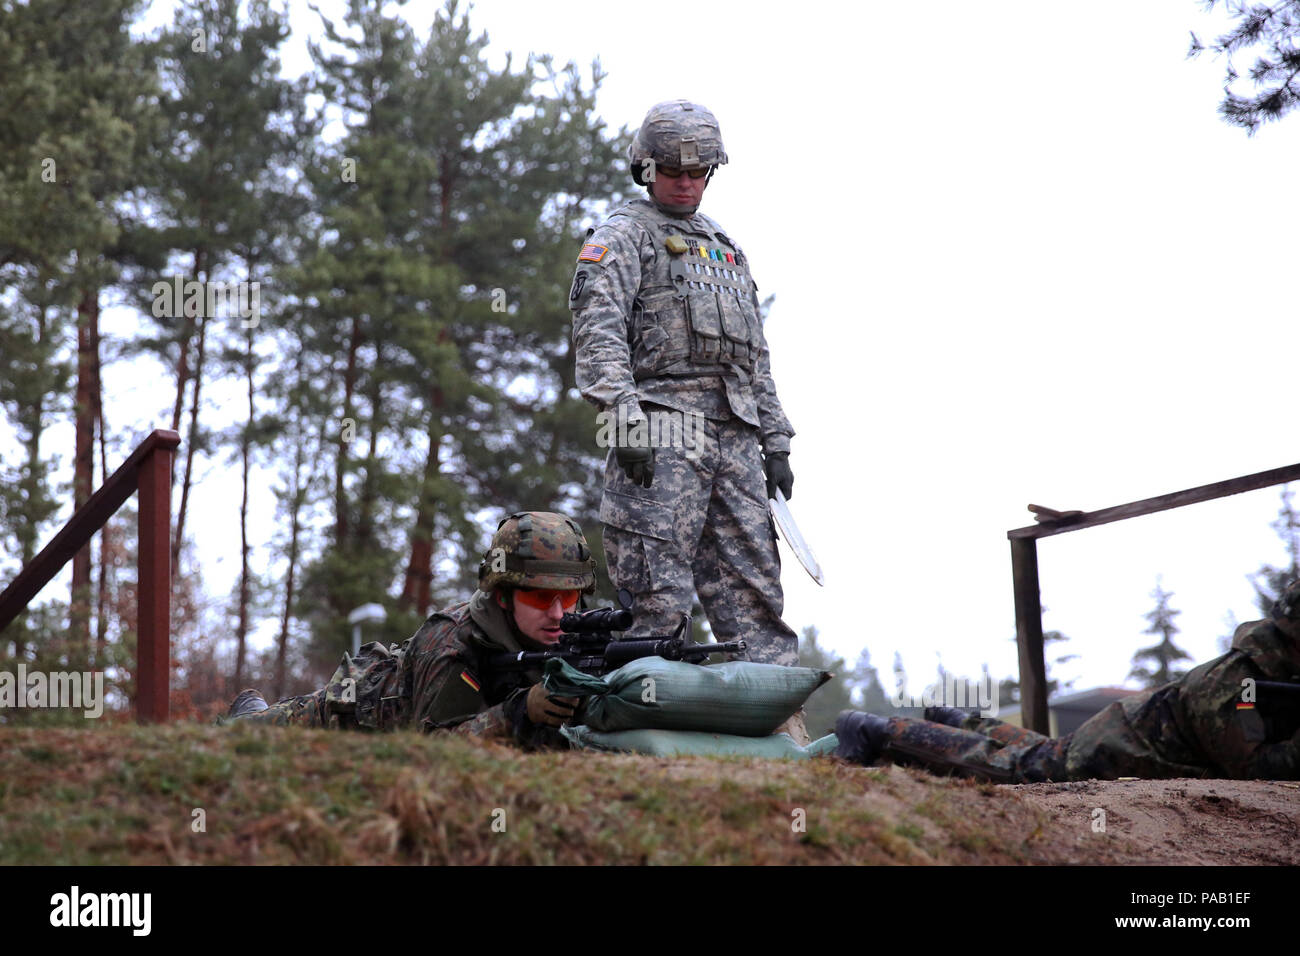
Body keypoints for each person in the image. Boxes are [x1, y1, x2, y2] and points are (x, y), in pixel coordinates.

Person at [568, 99, 802, 718]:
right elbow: (599, 334)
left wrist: (775, 439)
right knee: (656, 592)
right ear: (646, 167)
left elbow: (754, 355)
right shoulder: (620, 238)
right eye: (673, 169)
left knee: (754, 588)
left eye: (698, 172)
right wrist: (624, 418)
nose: (685, 181)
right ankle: (647, 723)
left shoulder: (724, 249)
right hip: (662, 431)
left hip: (736, 437)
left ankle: (778, 723)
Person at [835, 579, 1300, 781]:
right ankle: (877, 730)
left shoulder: (1257, 674)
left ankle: (956, 719)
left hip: (1127, 740)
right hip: (1124, 747)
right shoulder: (1235, 684)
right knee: (1023, 770)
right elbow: (1251, 770)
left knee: (1040, 753)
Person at [220, 512, 597, 750]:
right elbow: (428, 749)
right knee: (244, 740)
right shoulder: (452, 639)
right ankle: (250, 713)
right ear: (502, 596)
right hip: (348, 717)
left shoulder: (578, 635)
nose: (558, 613)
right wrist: (519, 712)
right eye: (540, 597)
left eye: (569, 597)